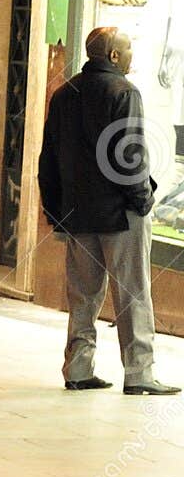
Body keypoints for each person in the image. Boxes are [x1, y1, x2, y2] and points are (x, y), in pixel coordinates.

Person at [39, 25, 179, 395]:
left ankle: (78, 368)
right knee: (132, 292)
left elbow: (48, 156)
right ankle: (139, 373)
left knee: (83, 294)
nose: (132, 54)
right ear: (114, 56)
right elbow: (129, 154)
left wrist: (54, 207)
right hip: (119, 213)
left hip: (78, 213)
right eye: (129, 48)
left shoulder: (64, 93)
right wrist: (142, 199)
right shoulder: (123, 91)